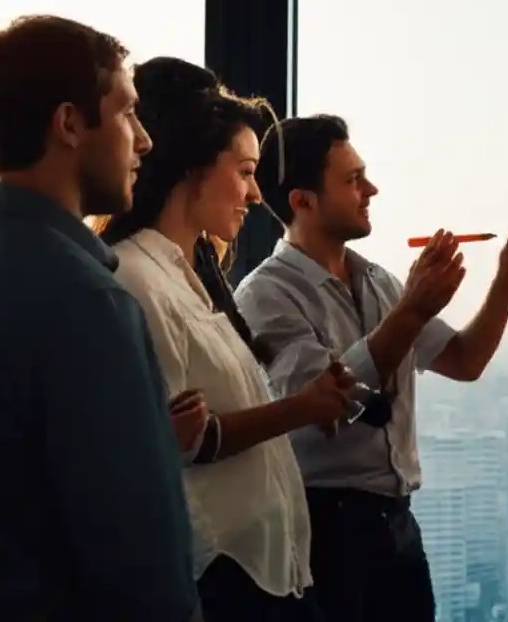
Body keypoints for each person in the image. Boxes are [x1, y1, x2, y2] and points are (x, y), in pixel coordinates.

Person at [0, 16, 200, 620]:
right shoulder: (87, 300)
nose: (145, 140)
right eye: (128, 112)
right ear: (70, 123)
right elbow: (142, 569)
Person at [234, 114, 508, 622]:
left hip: (397, 524)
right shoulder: (266, 295)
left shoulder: (377, 281)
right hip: (325, 527)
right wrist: (412, 311)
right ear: (302, 201)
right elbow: (327, 399)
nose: (371, 190)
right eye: (353, 180)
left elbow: (465, 360)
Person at [93, 57, 353, 621]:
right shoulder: (137, 279)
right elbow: (185, 441)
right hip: (224, 580)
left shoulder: (192, 277)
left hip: (260, 575)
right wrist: (301, 408)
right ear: (193, 169)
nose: (257, 194)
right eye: (244, 171)